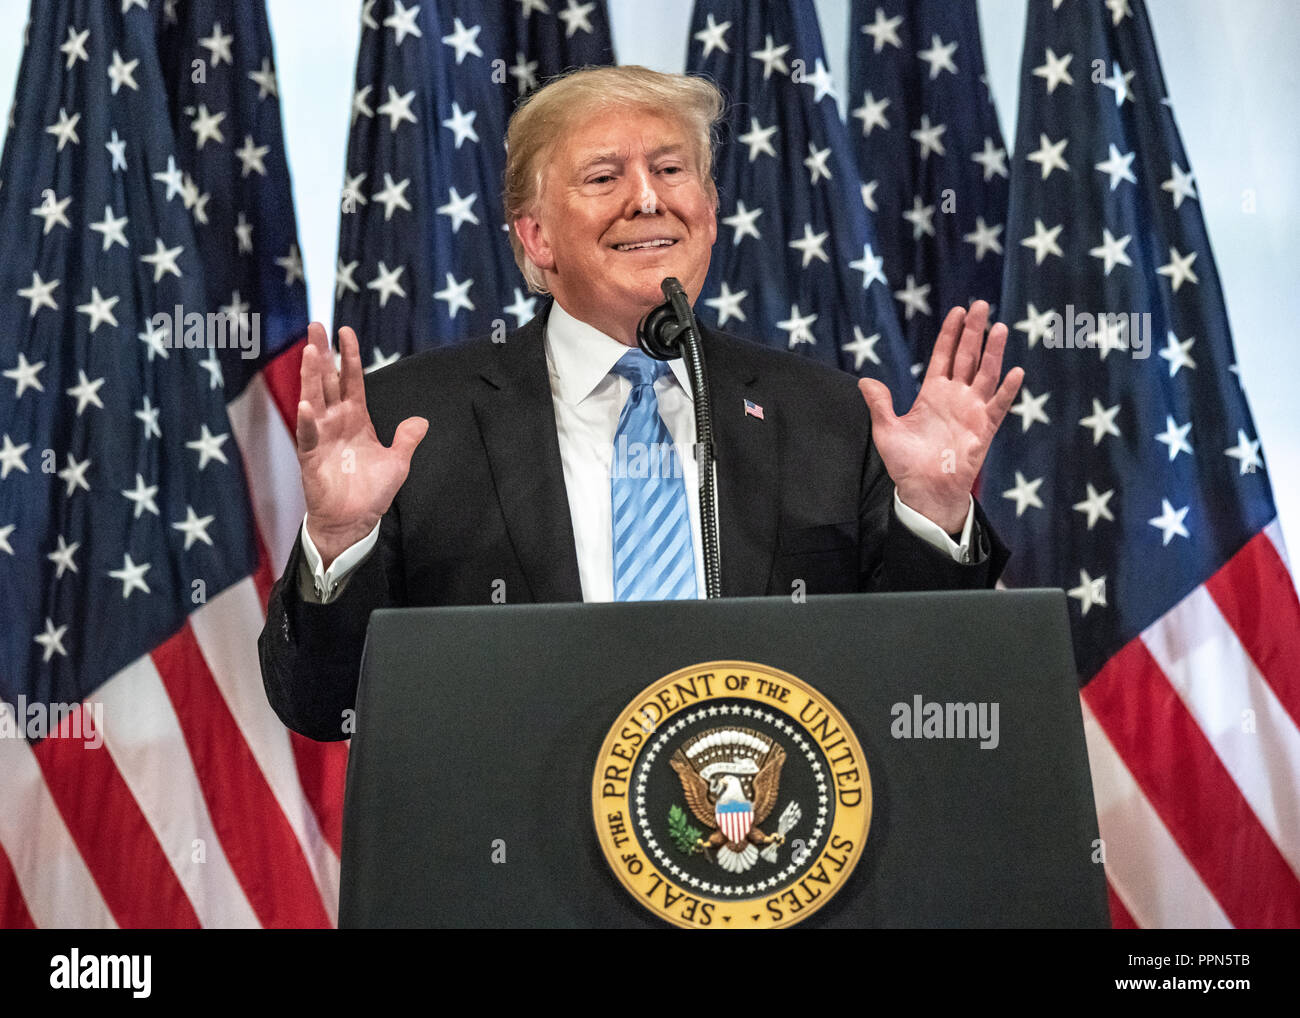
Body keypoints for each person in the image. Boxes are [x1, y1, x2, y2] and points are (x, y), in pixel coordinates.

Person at [258, 66, 1024, 742]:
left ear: (712, 213)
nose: (648, 199)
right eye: (603, 178)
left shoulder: (830, 416)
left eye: (670, 169)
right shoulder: (413, 424)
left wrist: (933, 513)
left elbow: (930, 689)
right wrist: (339, 538)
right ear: (536, 238)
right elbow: (323, 706)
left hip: (769, 863)